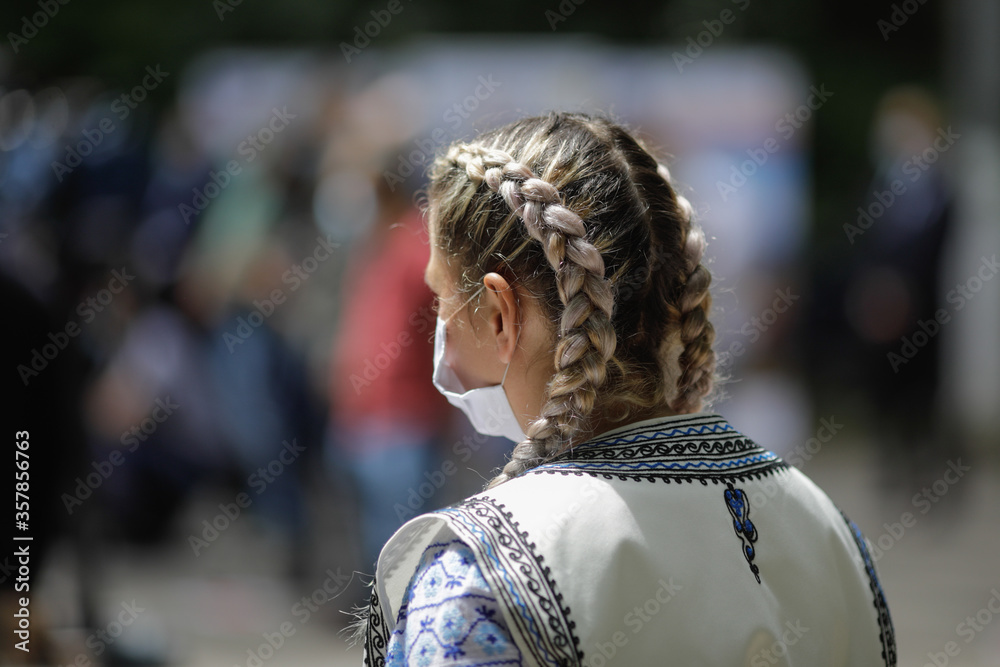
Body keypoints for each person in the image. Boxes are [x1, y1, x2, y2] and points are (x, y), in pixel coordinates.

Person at [358, 111, 896, 666]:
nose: (438, 325)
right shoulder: (830, 531)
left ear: (500, 315)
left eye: (440, 298)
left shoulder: (479, 576)